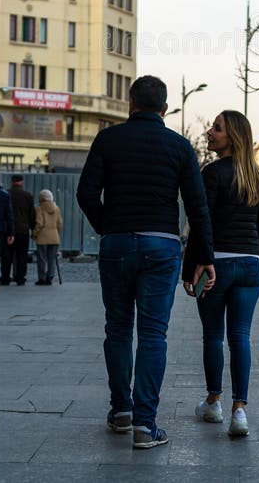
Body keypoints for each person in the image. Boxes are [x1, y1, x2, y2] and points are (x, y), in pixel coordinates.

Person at [77, 75, 215, 450]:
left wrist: (109, 226)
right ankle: (145, 426)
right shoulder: (180, 146)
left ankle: (121, 410)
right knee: (154, 333)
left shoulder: (108, 139)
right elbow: (198, 208)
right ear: (165, 109)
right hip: (162, 244)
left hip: (117, 243)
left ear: (130, 104)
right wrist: (203, 258)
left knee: (118, 328)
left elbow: (86, 192)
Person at [182, 109, 259, 437]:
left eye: (216, 128)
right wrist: (253, 257)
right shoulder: (257, 176)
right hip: (249, 265)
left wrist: (191, 268)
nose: (210, 132)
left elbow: (201, 223)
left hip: (216, 262)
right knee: (241, 337)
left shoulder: (213, 173)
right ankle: (240, 412)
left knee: (213, 336)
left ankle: (214, 403)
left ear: (232, 137)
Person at [1, 174, 36, 286]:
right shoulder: (28, 196)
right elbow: (32, 215)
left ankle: (5, 277)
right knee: (21, 255)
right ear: (22, 182)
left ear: (12, 182)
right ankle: (20, 278)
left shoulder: (5, 194)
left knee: (7, 255)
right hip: (23, 230)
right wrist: (32, 228)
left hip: (7, 230)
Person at [33, 189, 63, 285]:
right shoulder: (56, 208)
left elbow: (39, 223)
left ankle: (41, 278)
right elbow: (60, 224)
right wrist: (56, 233)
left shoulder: (39, 208)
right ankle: (50, 277)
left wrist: (34, 233)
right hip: (54, 236)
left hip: (42, 236)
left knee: (41, 259)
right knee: (52, 258)